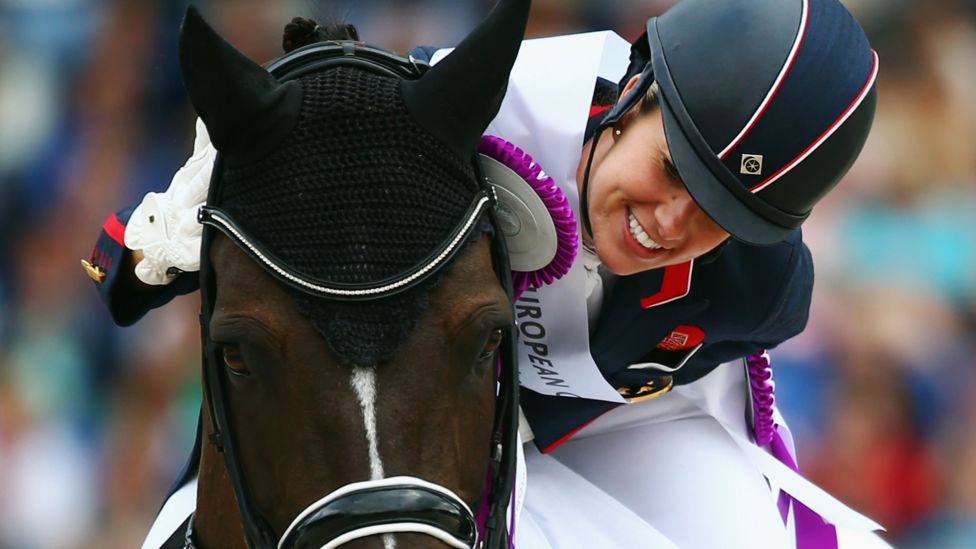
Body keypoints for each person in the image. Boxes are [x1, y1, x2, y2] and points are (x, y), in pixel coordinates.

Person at [84, 1, 887, 547]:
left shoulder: (760, 289)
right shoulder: (462, 116)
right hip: (417, 419)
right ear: (632, 92)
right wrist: (152, 239)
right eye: (674, 169)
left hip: (625, 423)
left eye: (719, 214)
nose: (672, 222)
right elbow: (116, 264)